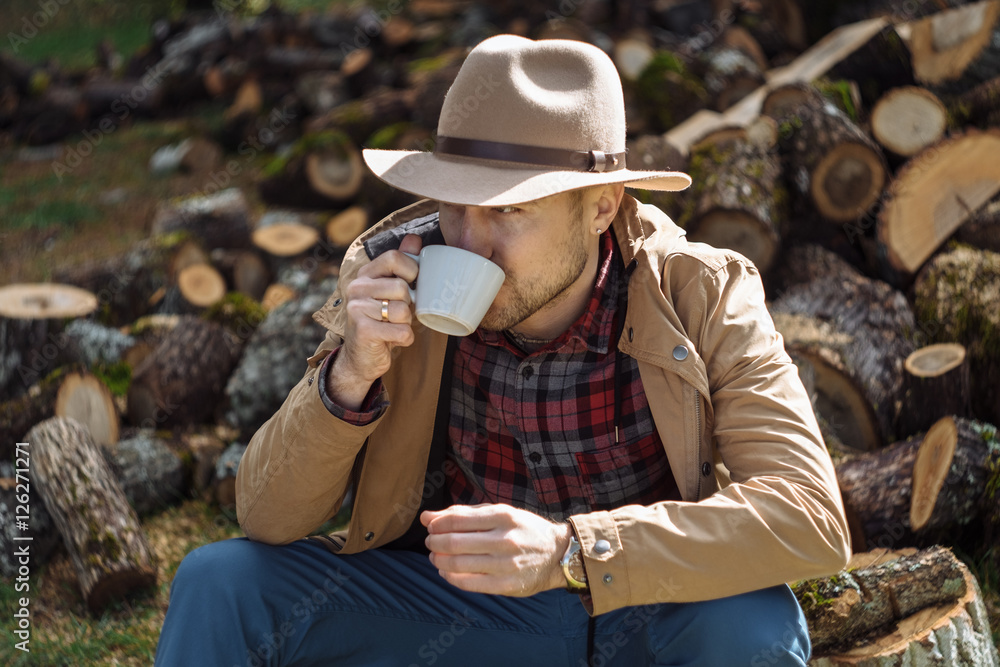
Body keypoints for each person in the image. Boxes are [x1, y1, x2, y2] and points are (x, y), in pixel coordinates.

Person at [155, 34, 850, 666]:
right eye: (455, 203)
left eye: (508, 211)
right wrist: (349, 374)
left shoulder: (699, 290)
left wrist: (571, 552)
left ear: (602, 205)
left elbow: (810, 517)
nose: (468, 240)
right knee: (221, 583)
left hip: (654, 603)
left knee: (748, 624)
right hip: (469, 615)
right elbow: (267, 516)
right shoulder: (400, 270)